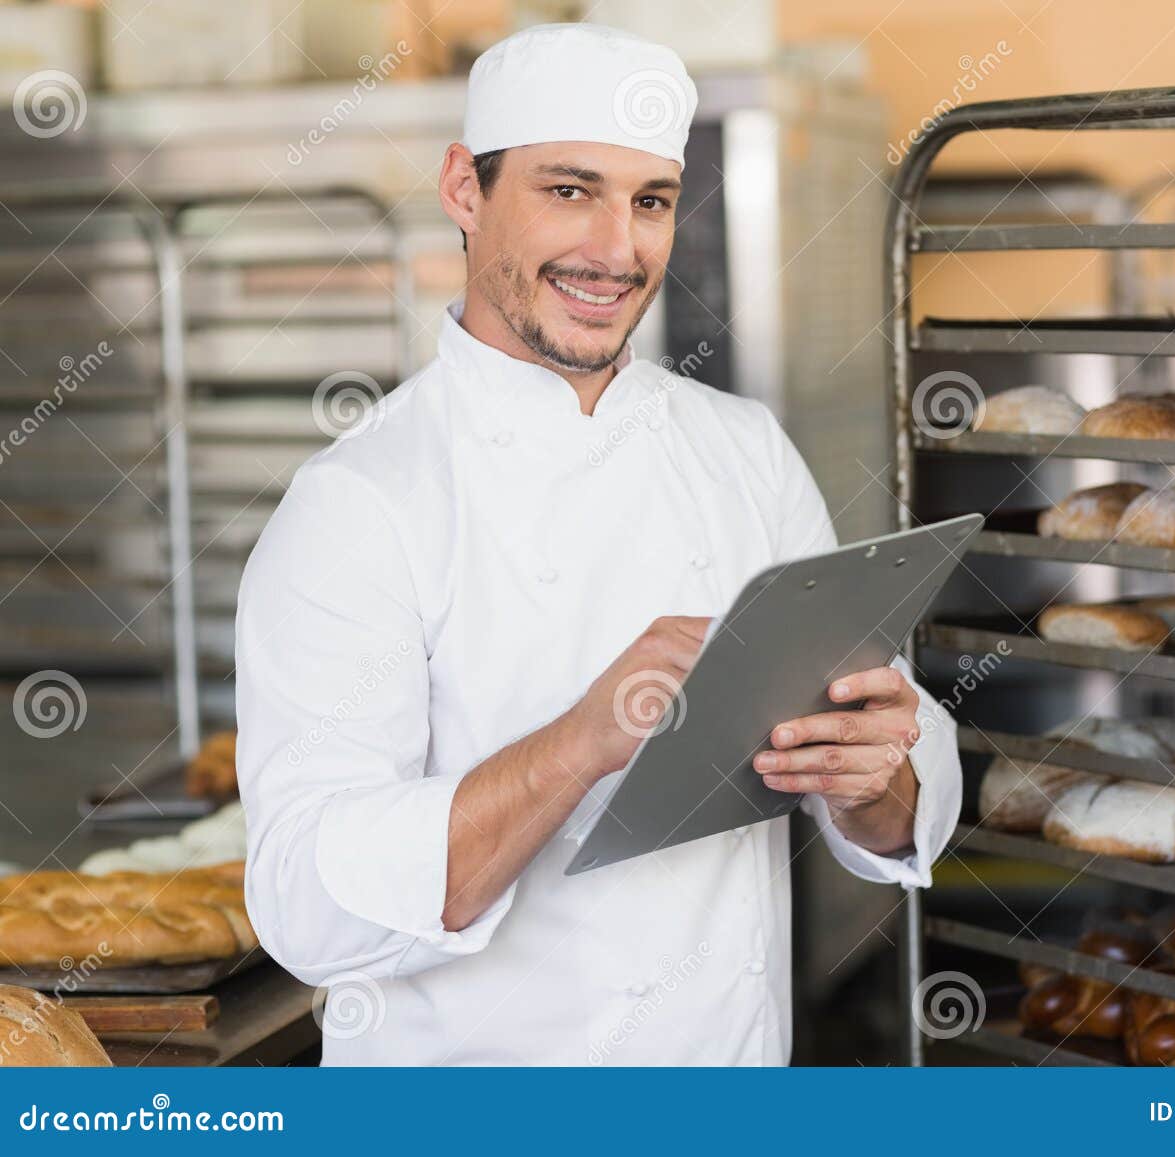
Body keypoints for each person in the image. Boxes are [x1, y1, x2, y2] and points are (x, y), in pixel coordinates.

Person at [235, 23, 962, 1065]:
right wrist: (579, 744)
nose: (617, 251)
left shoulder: (742, 449)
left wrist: (874, 780)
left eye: (650, 200)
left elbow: (899, 783)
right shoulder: (359, 504)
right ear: (463, 189)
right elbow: (306, 907)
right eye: (568, 191)